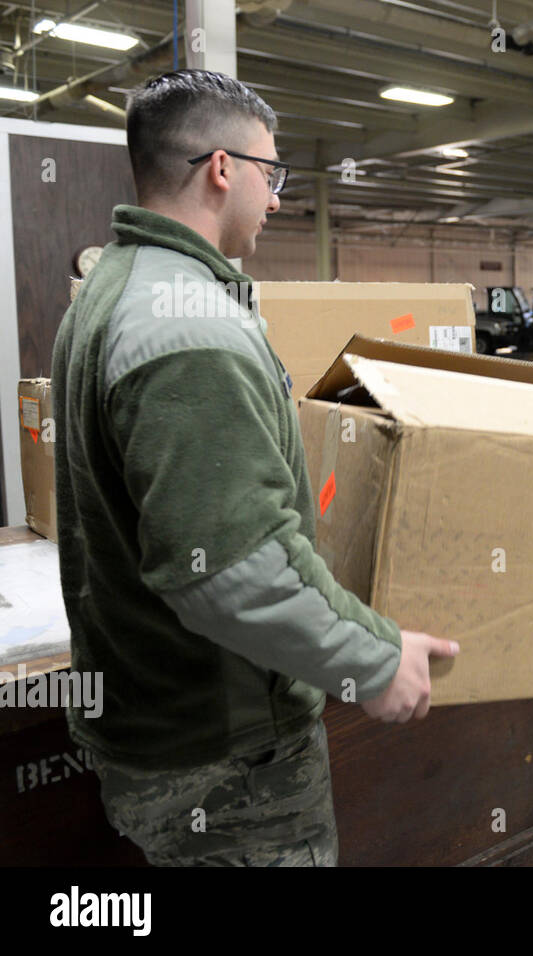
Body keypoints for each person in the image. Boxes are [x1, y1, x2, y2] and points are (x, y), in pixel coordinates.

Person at [50, 69, 457, 867]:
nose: (276, 200)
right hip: (226, 764)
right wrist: (373, 659)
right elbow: (231, 569)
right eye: (271, 175)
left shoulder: (109, 290)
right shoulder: (190, 326)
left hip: (150, 725)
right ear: (222, 169)